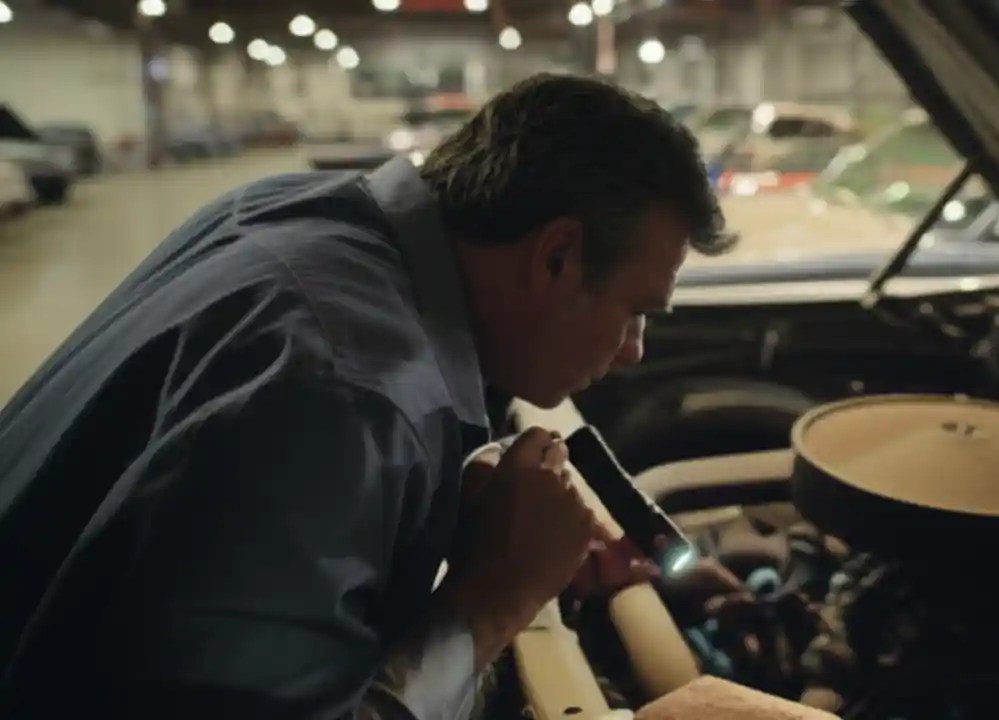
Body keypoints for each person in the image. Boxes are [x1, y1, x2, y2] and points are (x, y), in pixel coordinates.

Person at [0, 74, 729, 718]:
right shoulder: (346, 395)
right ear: (557, 257)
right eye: (637, 311)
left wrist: (496, 525)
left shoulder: (291, 209)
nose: (633, 350)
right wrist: (497, 595)